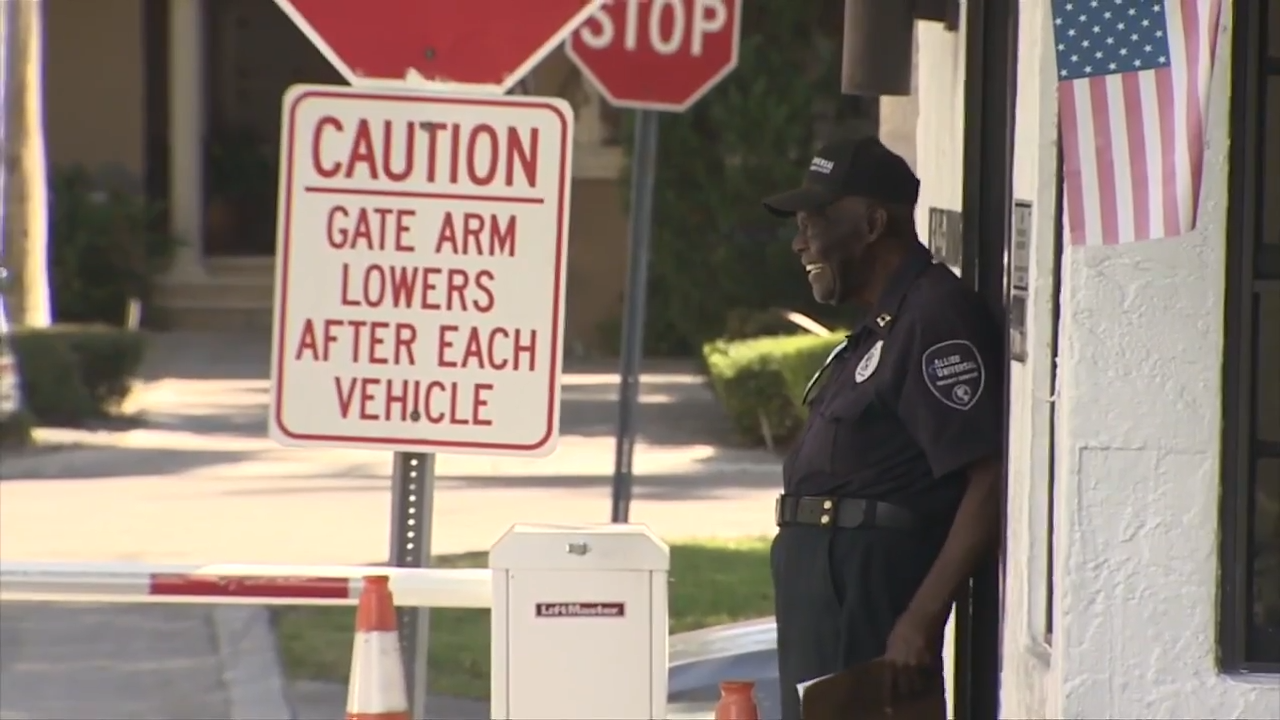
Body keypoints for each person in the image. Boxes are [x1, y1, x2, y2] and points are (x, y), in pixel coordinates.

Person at [761, 136, 1003, 720]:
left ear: (872, 224)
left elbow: (990, 477)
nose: (800, 243)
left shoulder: (934, 315)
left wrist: (921, 618)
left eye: (814, 223)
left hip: (867, 599)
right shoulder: (883, 324)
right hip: (828, 596)